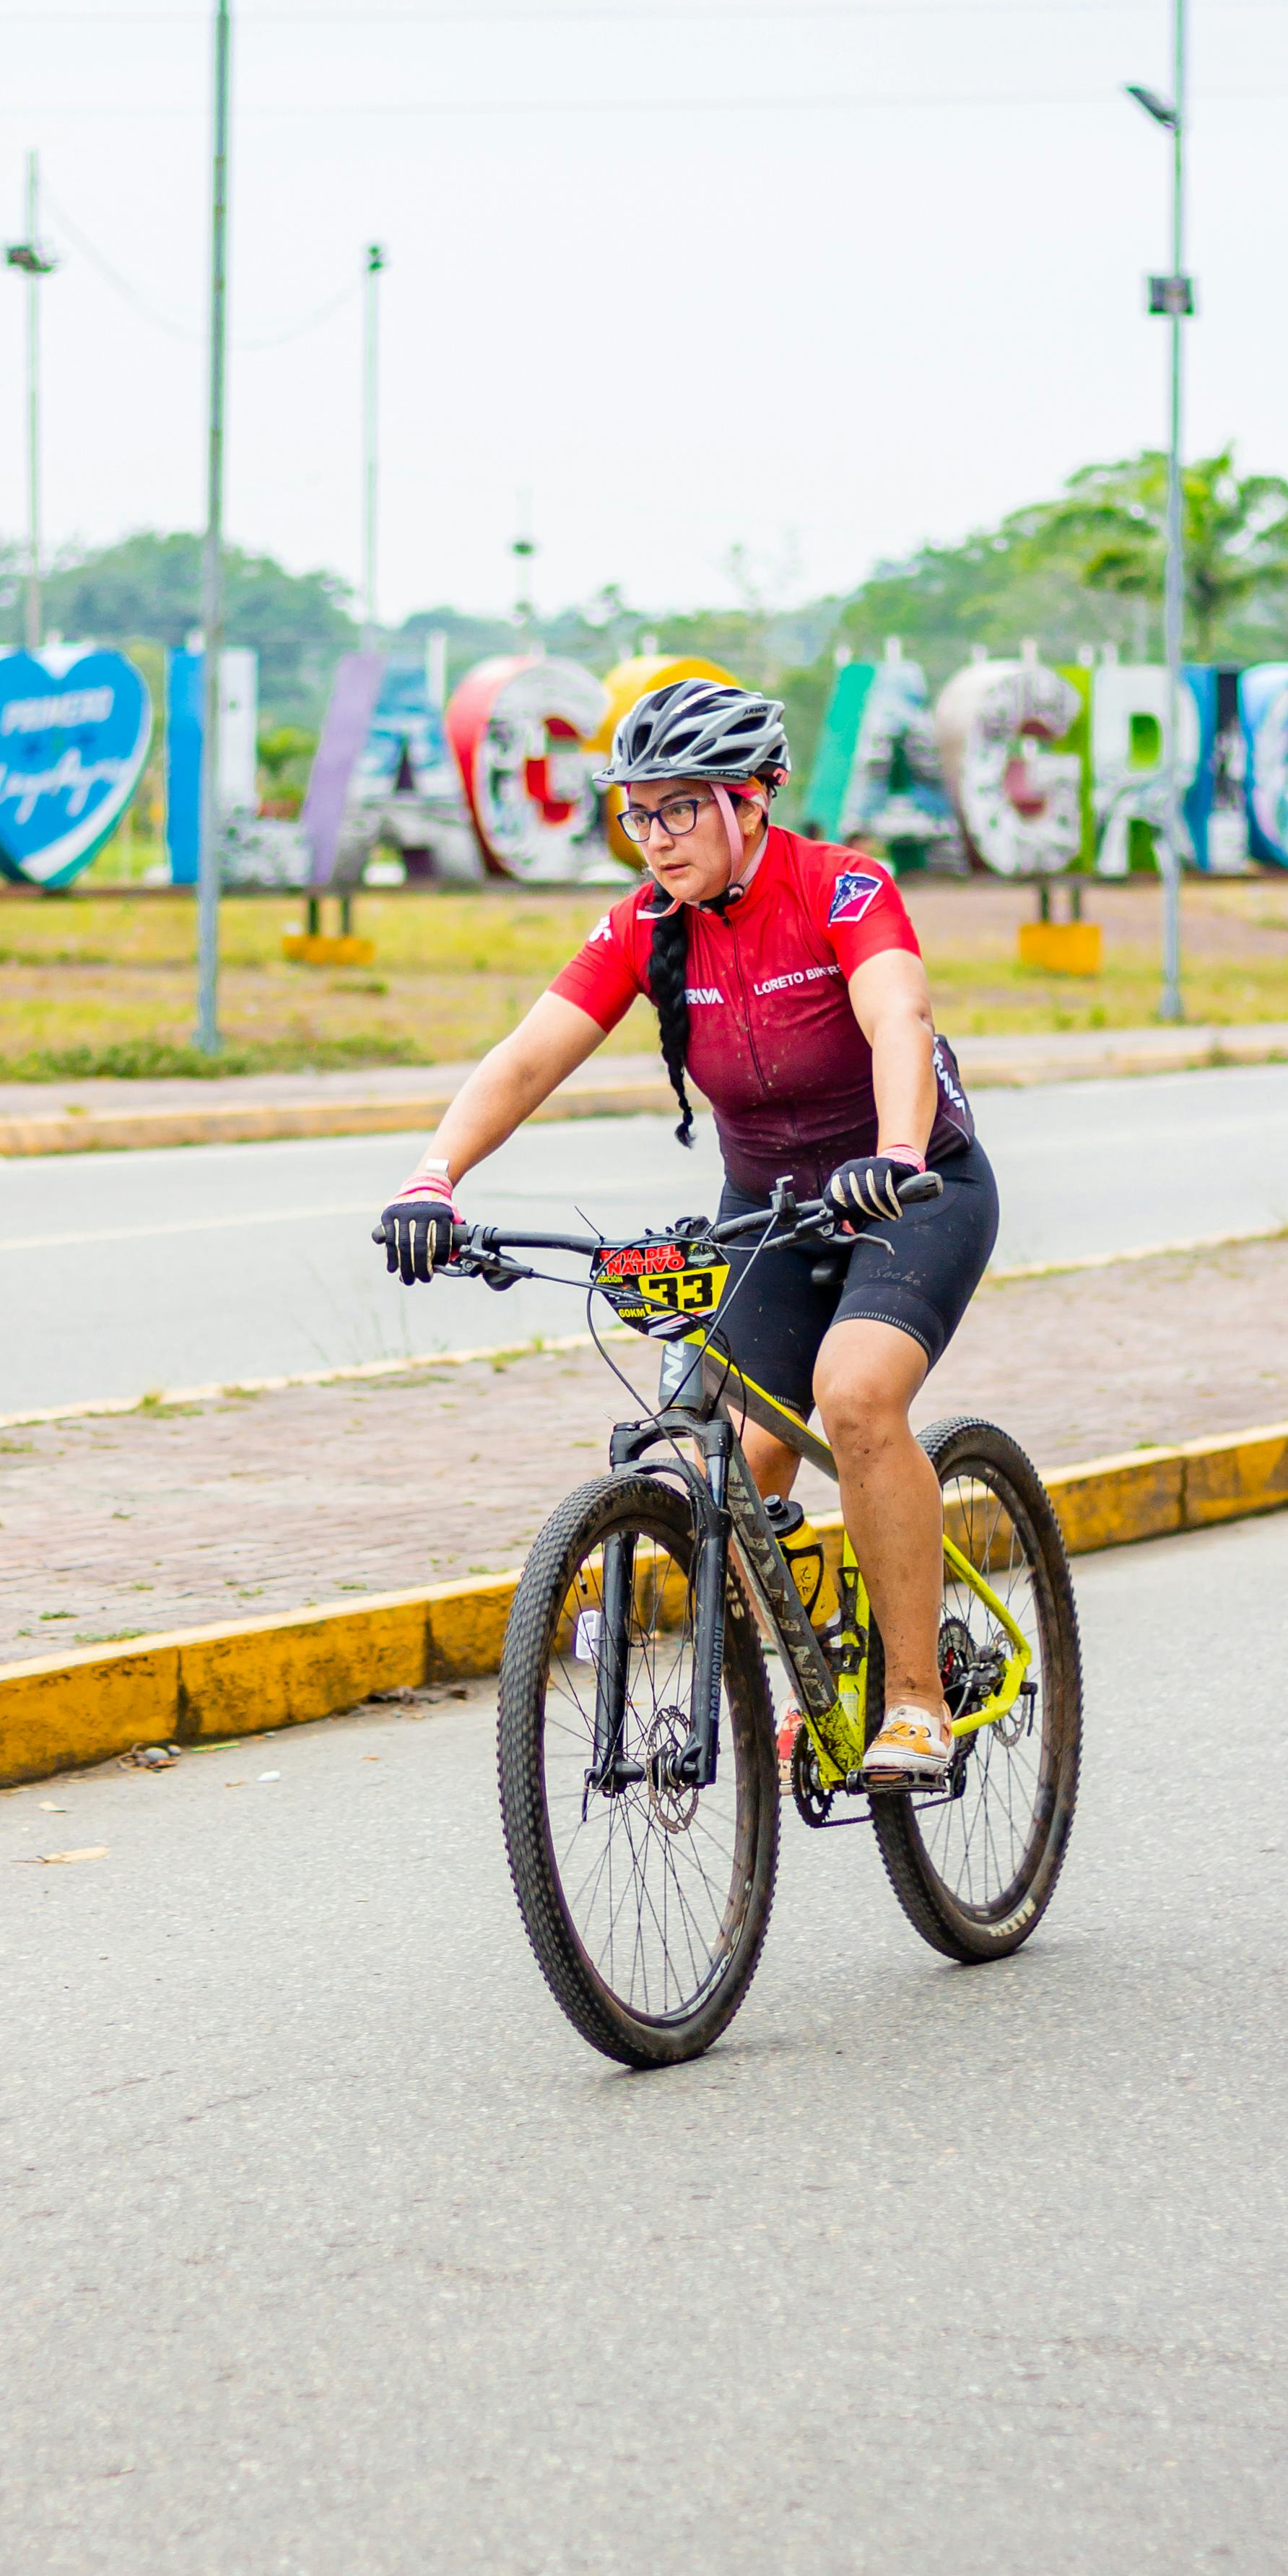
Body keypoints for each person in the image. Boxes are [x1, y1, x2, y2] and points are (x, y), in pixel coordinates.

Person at [373, 677, 999, 1787]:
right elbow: (528, 1055)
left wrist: (897, 1154)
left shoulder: (843, 889)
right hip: (766, 1216)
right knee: (731, 1468)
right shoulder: (648, 927)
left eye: (679, 808)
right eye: (639, 812)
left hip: (913, 1192)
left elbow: (897, 1017)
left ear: (751, 800)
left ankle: (912, 1701)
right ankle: (820, 1659)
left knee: (856, 1394)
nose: (655, 837)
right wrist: (435, 1177)